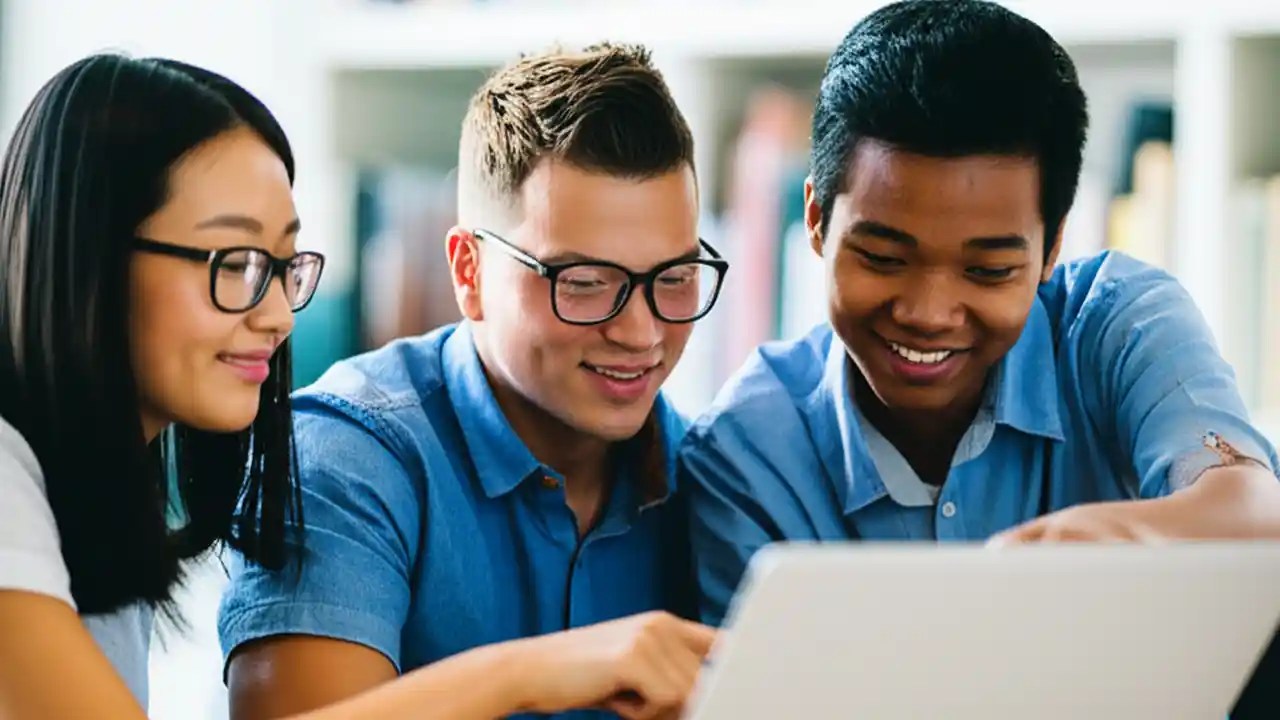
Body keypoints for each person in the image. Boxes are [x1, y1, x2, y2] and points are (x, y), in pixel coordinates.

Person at [0, 52, 710, 720]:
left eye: (282, 266)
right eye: (237, 261)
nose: (278, 316)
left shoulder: (96, 504)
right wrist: (535, 671)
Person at [680, 0, 1280, 628]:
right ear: (815, 220)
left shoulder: (1117, 328)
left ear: (1051, 249)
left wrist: (1110, 542)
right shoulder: (744, 454)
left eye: (988, 271)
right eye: (883, 258)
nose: (928, 314)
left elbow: (1252, 509)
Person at [218, 43, 726, 720]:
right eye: (583, 283)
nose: (640, 333)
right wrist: (539, 672)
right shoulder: (343, 459)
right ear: (468, 272)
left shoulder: (715, 476)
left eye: (674, 278)